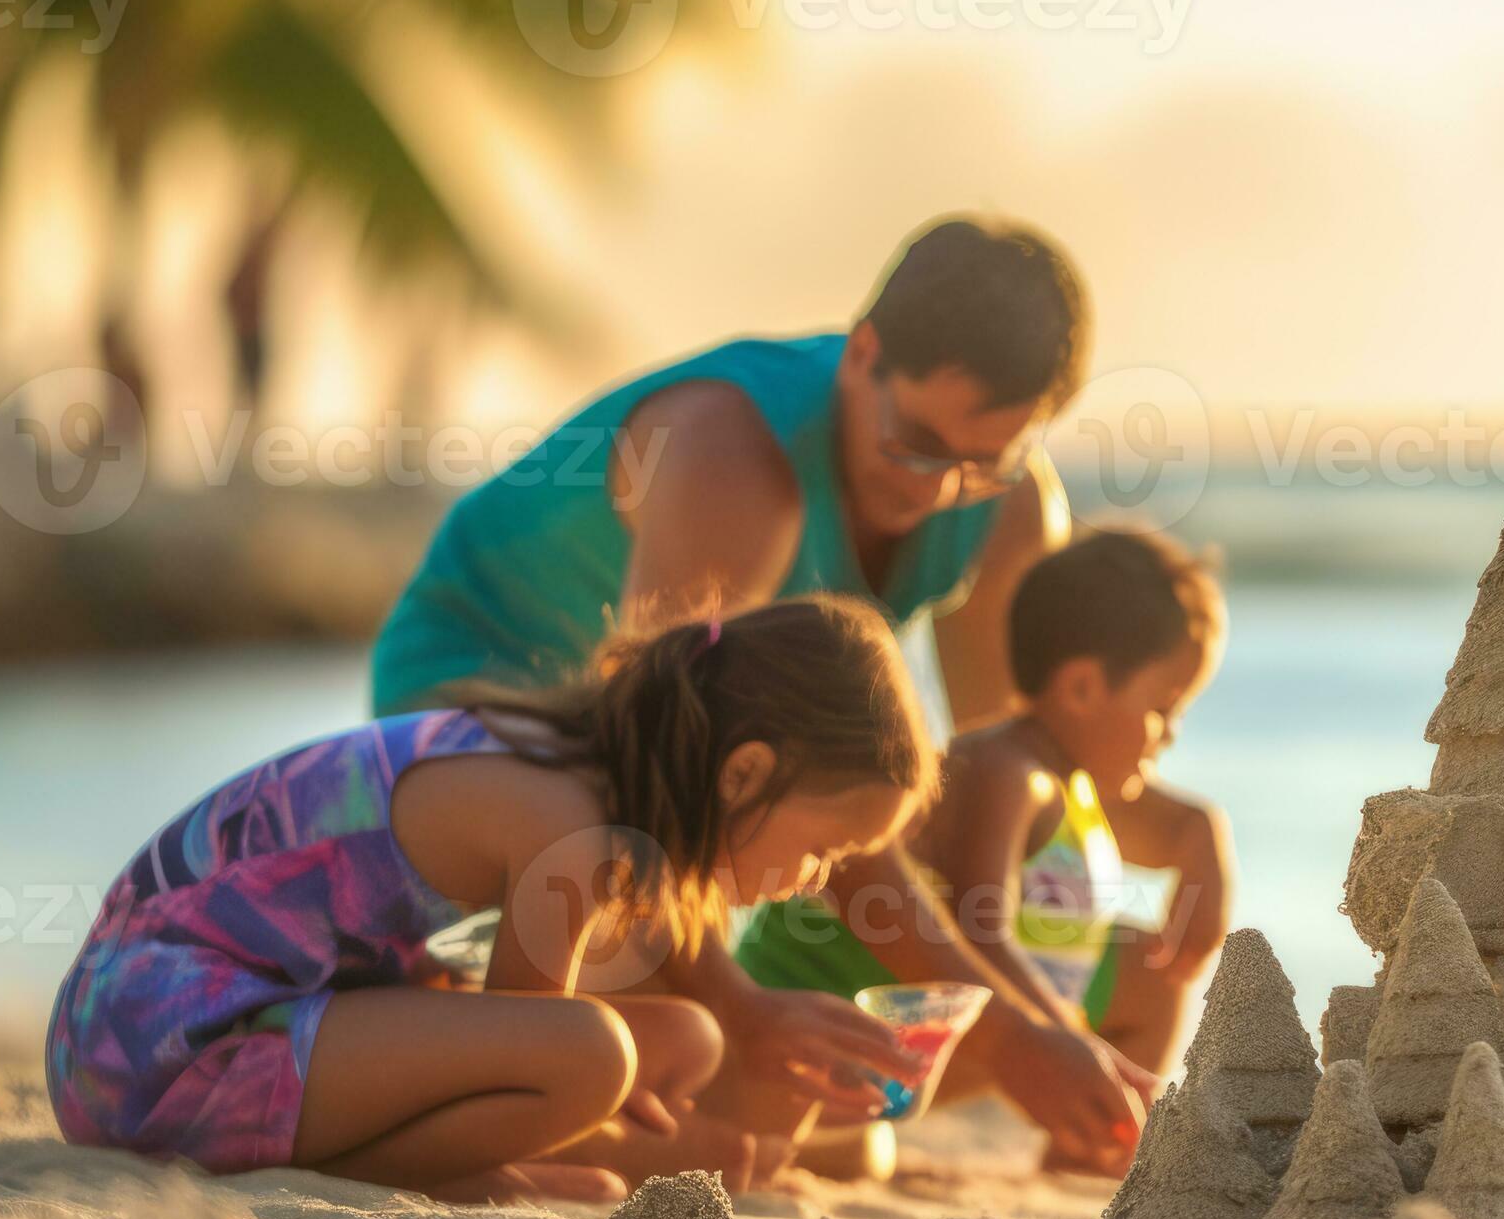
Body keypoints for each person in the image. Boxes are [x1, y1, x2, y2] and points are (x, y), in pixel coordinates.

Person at [366, 215, 1147, 1169]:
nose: (944, 489)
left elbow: (1005, 772)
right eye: (920, 443)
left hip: (715, 779)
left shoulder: (1011, 503)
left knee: (847, 1092)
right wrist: (1011, 1036)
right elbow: (662, 777)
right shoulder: (734, 464)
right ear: (862, 354)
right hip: (510, 742)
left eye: (984, 462)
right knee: (735, 1106)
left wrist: (1044, 1005)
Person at [48, 599, 934, 1205]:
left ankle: (445, 1160)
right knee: (594, 1053)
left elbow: (515, 1039)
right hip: (153, 1042)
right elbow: (543, 1048)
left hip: (187, 1013)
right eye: (826, 848)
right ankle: (422, 1173)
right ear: (744, 774)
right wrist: (656, 1155)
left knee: (682, 1037)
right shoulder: (570, 828)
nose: (819, 876)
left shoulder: (572, 769)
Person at [753, 529, 1231, 1147]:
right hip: (838, 1012)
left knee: (1151, 973)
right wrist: (1067, 1037)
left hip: (935, 1032)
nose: (1170, 735)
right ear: (1082, 687)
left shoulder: (1068, 781)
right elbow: (980, 924)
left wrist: (1205, 838)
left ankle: (1092, 1148)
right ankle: (1100, 1130)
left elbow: (1166, 825)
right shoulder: (1007, 772)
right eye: (1164, 708)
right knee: (856, 1157)